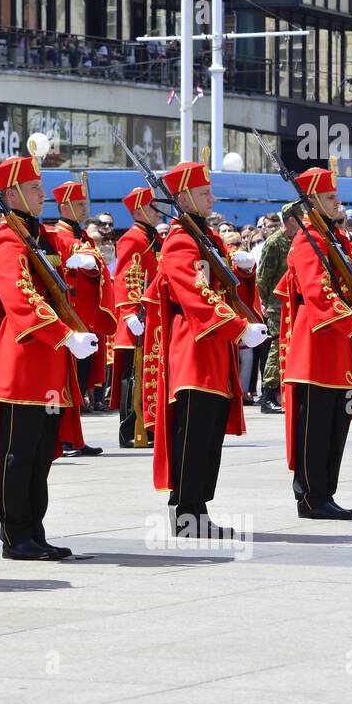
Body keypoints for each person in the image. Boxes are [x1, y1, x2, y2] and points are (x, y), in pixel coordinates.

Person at [0, 154, 96, 560]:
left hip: (51, 366)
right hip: (24, 365)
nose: (43, 195)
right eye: (33, 190)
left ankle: (36, 530)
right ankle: (16, 535)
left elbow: (74, 260)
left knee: (43, 452)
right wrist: (64, 335)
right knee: (19, 453)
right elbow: (22, 299)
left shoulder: (39, 236)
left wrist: (89, 263)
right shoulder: (6, 239)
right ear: (11, 195)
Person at [141, 161, 265, 539]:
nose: (212, 197)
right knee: (194, 436)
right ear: (184, 197)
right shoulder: (181, 239)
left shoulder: (204, 236)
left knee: (209, 437)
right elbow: (197, 293)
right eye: (205, 192)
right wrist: (238, 326)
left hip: (212, 345)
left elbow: (222, 287)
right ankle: (186, 514)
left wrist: (243, 273)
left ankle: (198, 510)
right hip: (193, 348)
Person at [273, 169, 352, 520]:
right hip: (316, 343)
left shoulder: (333, 237)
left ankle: (325, 492)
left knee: (336, 423)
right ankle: (310, 496)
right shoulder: (308, 241)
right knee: (315, 425)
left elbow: (349, 281)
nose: (338, 203)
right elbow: (318, 293)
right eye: (331, 198)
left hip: (338, 344)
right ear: (313, 202)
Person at [46, 181, 116, 453]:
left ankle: (73, 436)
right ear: (64, 207)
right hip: (70, 318)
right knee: (65, 380)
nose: (84, 207)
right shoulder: (58, 235)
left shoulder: (82, 236)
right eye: (78, 204)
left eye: (84, 203)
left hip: (85, 319)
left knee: (78, 381)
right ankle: (62, 436)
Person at [110, 187, 162, 446]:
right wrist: (130, 311)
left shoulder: (151, 237)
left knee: (148, 375)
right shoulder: (133, 238)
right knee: (134, 376)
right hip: (138, 319)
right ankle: (129, 429)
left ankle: (149, 425)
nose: (158, 211)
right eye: (153, 207)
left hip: (152, 317)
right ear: (140, 210)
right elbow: (127, 276)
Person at [255, 211, 298, 414]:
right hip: (276, 305)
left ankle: (283, 392)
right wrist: (267, 301)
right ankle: (268, 394)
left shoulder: (296, 240)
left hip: (291, 303)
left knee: (289, 347)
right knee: (275, 348)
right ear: (290, 221)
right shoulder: (274, 242)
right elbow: (263, 277)